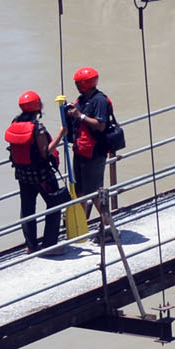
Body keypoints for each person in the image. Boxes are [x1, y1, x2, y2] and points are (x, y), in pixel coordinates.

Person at [4, 91, 64, 251]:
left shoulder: (14, 123)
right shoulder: (37, 128)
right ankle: (50, 246)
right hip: (41, 175)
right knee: (54, 205)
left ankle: (31, 246)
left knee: (27, 209)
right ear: (38, 107)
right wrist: (61, 135)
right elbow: (46, 151)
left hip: (23, 175)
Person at [64, 66, 118, 236]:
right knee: (80, 191)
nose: (76, 86)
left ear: (84, 84)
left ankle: (109, 229)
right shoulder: (81, 100)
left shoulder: (99, 101)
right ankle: (81, 228)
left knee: (96, 192)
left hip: (94, 152)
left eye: (78, 83)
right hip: (80, 151)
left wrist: (80, 115)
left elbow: (101, 125)